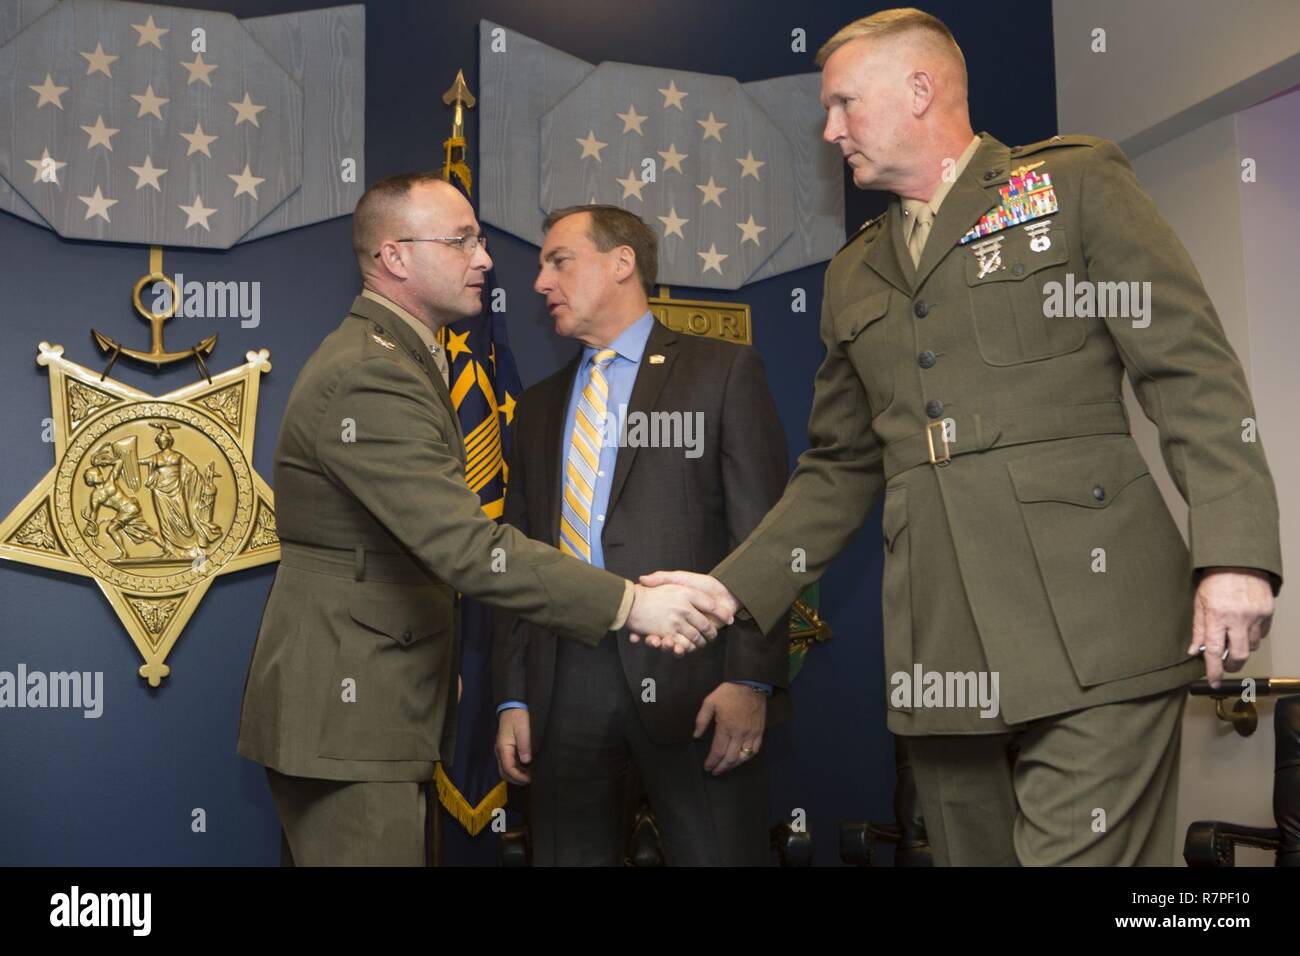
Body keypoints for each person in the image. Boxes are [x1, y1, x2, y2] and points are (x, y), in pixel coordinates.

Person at [643, 8, 1281, 865]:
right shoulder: (852, 270)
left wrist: (1232, 552)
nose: (829, 132)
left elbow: (1190, 373)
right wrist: (730, 589)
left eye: (841, 105)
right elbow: (837, 468)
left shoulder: (1072, 185)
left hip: (1099, 622)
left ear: (919, 88)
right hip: (942, 644)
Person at [237, 173, 726, 866]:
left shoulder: (400, 359)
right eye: (461, 240)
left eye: (480, 238)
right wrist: (632, 603)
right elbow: (467, 548)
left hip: (370, 705)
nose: (487, 258)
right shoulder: (371, 375)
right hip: (351, 714)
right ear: (396, 258)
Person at [493, 206, 792, 865]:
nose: (540, 281)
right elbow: (517, 556)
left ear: (621, 263)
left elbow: (767, 543)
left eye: (558, 261)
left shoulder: (723, 373)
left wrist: (752, 681)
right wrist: (513, 693)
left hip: (697, 684)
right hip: (562, 684)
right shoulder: (538, 408)